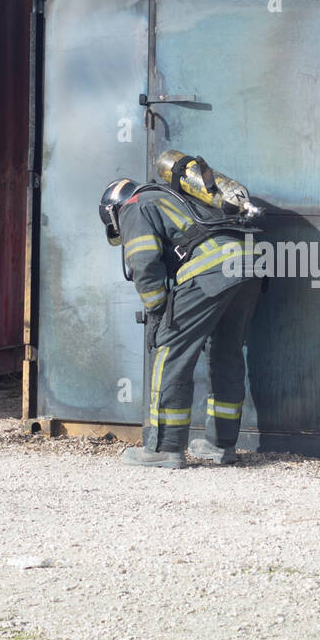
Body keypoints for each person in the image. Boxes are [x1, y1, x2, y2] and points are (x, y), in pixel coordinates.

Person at [98, 173, 260, 468]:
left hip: (213, 266)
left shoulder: (133, 205)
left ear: (113, 210)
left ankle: (164, 447)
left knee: (170, 353)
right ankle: (221, 445)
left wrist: (158, 309)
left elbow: (144, 260)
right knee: (226, 353)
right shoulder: (174, 196)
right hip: (249, 262)